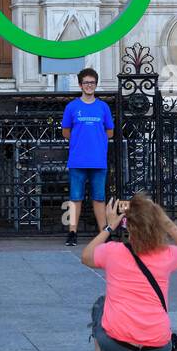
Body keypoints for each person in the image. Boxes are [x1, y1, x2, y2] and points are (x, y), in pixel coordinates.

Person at [82, 192, 177, 351]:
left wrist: (109, 226)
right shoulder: (167, 255)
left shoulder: (112, 252)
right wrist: (163, 219)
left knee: (100, 306)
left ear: (128, 226)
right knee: (149, 324)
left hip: (117, 348)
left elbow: (86, 256)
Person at [61, 67, 113, 246]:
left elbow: (110, 131)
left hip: (98, 159)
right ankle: (72, 233)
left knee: (99, 197)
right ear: (80, 85)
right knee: (75, 197)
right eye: (86, 83)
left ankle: (103, 233)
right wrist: (81, 142)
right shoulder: (72, 106)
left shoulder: (103, 107)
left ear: (96, 84)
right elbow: (66, 131)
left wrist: (95, 141)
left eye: (92, 82)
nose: (89, 86)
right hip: (77, 159)